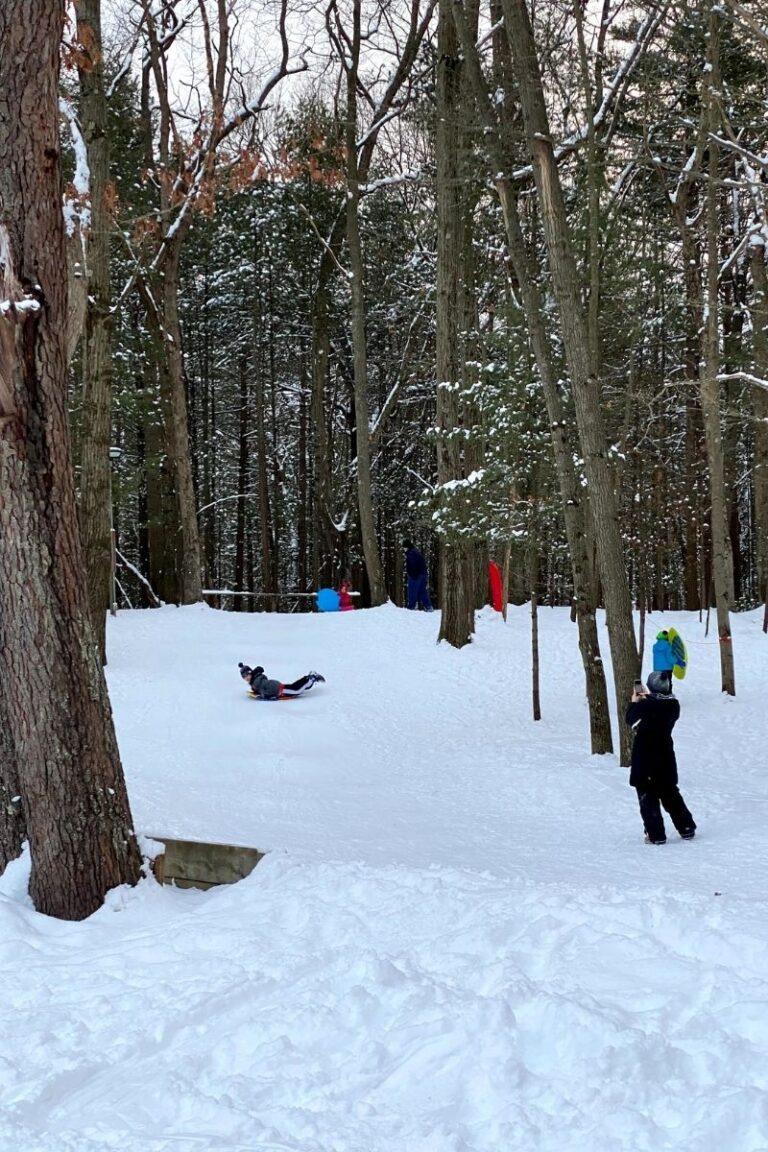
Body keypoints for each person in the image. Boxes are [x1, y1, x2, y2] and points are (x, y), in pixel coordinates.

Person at [625, 671, 696, 845]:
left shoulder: (646, 706)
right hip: (665, 755)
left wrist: (634, 703)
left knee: (647, 795)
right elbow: (657, 708)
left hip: (645, 756)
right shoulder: (673, 705)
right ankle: (686, 827)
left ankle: (655, 834)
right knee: (669, 792)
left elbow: (630, 720)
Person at [238, 663, 325, 699]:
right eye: (243, 677)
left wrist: (263, 694)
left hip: (278, 690)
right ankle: (309, 678)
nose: (246, 678)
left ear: (250, 673)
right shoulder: (255, 679)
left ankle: (312, 677)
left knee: (296, 690)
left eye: (246, 675)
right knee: (295, 686)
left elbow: (262, 687)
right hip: (277, 687)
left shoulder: (255, 681)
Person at [403, 540, 433, 611]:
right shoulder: (415, 552)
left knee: (412, 591)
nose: (403, 549)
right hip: (423, 574)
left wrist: (413, 575)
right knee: (422, 591)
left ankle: (411, 607)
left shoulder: (411, 553)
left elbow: (412, 565)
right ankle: (428, 606)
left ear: (407, 547)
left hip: (416, 575)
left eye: (404, 547)